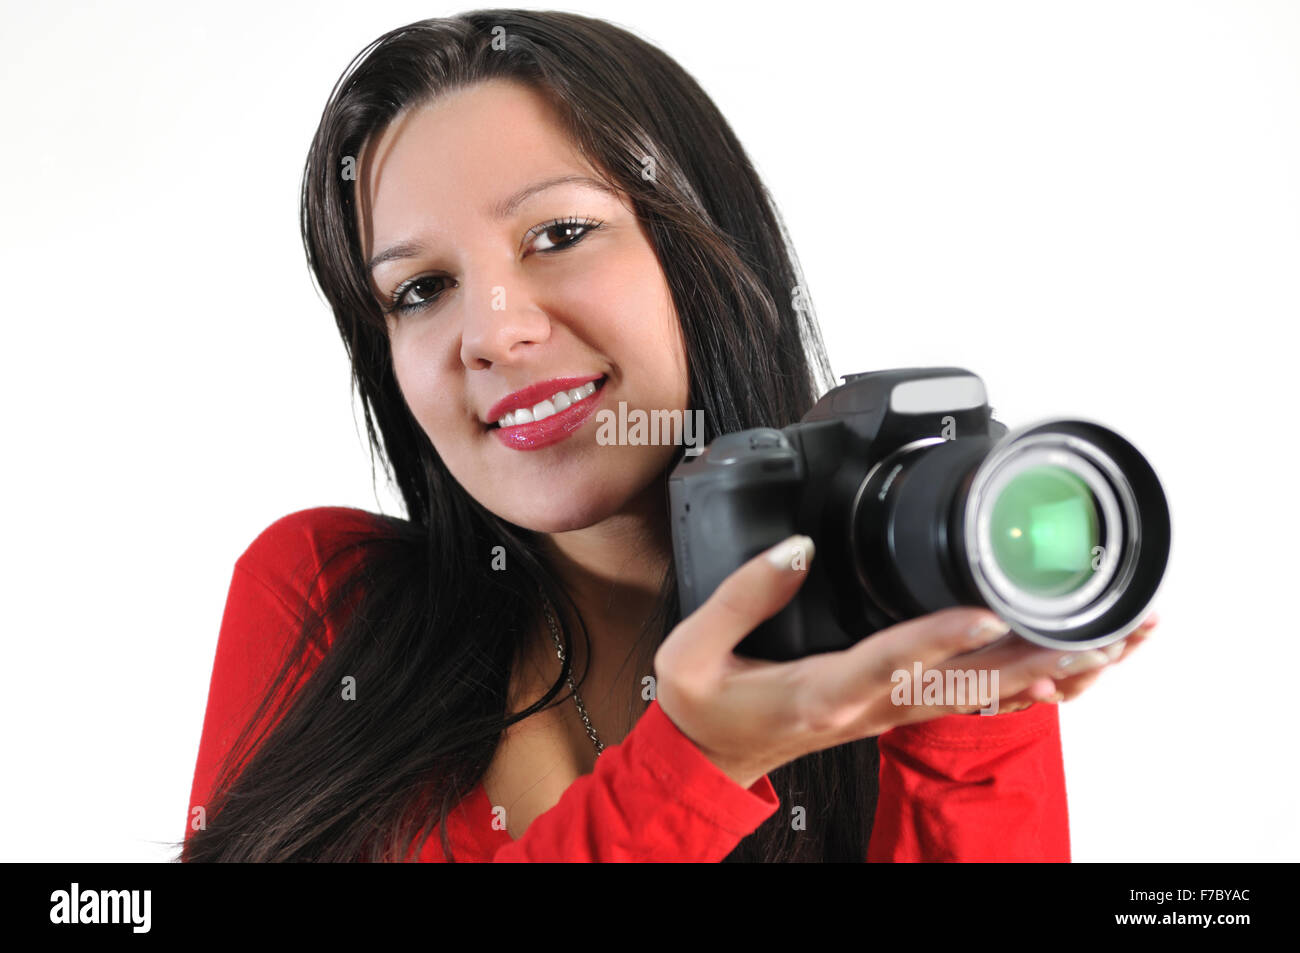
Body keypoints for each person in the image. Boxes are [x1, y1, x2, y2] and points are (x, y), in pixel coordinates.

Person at [177, 10, 1157, 863]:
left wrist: (964, 721)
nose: (493, 332)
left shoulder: (903, 633)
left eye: (558, 233)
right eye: (420, 289)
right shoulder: (323, 591)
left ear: (701, 245)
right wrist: (694, 763)